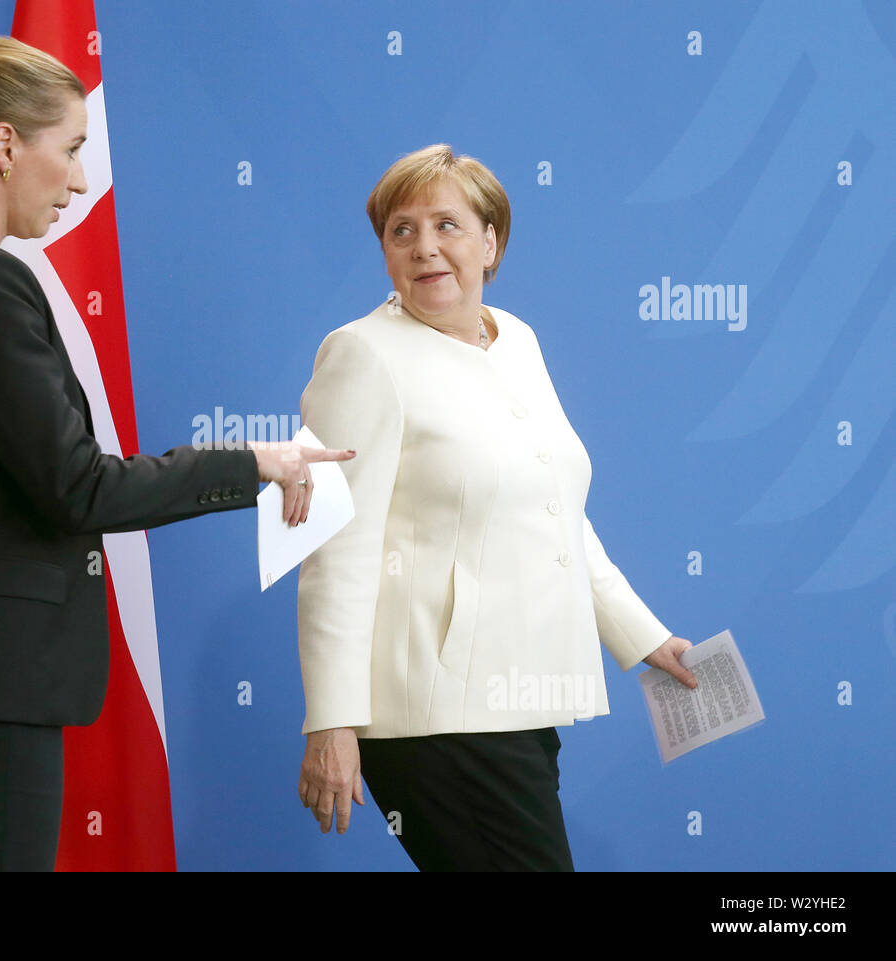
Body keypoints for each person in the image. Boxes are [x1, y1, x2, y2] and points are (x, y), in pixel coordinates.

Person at [0, 36, 352, 871]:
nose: (78, 179)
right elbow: (80, 485)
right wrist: (253, 462)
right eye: (69, 150)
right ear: (4, 145)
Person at [293, 144, 697, 871]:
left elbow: (555, 508)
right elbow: (336, 554)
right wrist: (332, 721)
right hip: (436, 721)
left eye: (446, 224)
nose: (425, 248)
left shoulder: (517, 341)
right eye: (402, 230)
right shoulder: (361, 354)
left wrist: (642, 635)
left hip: (521, 709)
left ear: (491, 241)